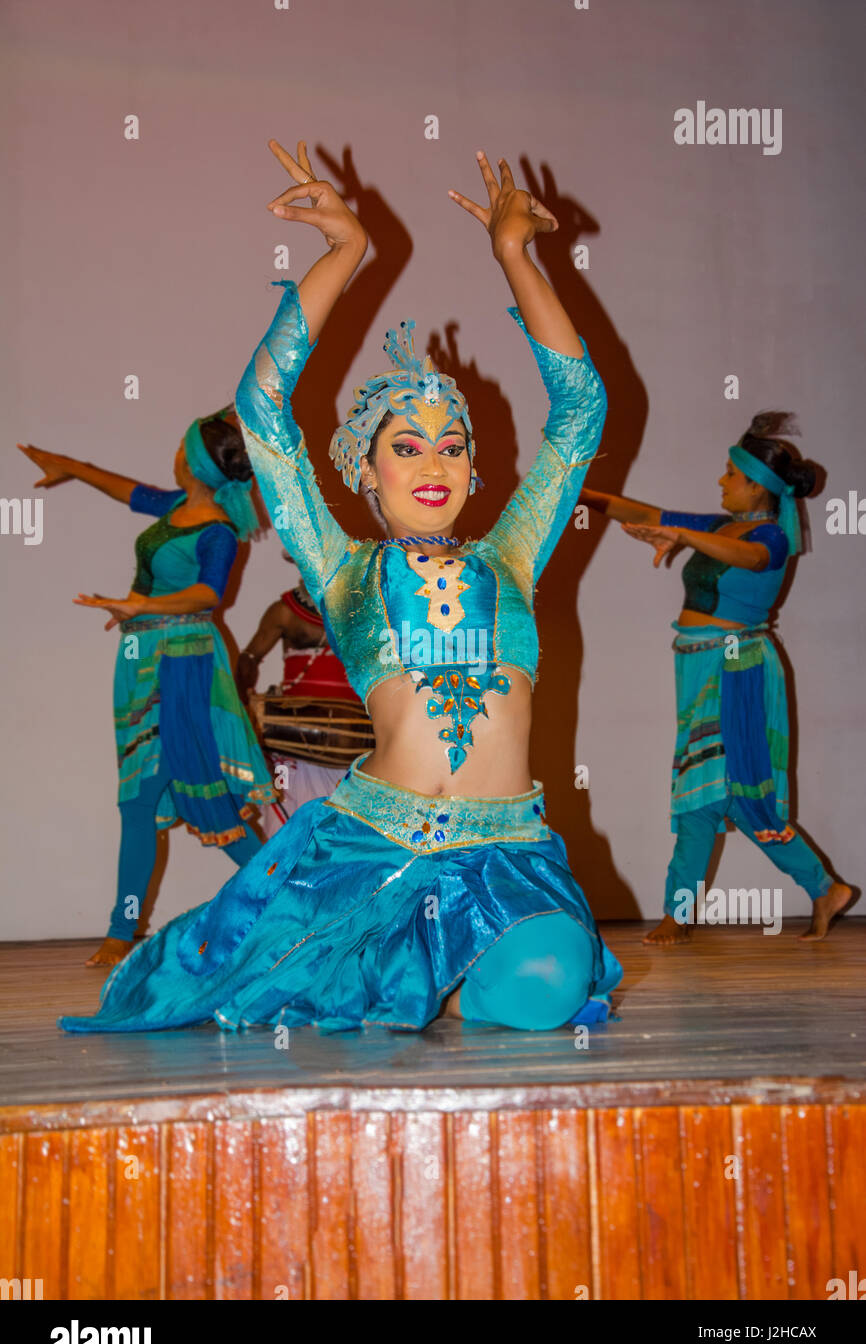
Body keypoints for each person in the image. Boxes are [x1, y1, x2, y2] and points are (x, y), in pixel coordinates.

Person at [59, 137, 621, 1034]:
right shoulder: (342, 564)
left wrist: (517, 256)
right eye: (407, 445)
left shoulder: (512, 553)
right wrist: (343, 255)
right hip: (369, 847)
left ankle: (442, 965)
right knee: (232, 983)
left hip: (503, 851)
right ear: (366, 467)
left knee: (545, 987)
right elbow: (263, 413)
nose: (433, 463)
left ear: (476, 471)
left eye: (452, 446)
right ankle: (391, 961)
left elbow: (581, 408)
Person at [18, 408, 278, 967]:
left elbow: (209, 596)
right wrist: (69, 466)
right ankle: (121, 932)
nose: (176, 453)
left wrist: (141, 604)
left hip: (186, 664)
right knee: (136, 802)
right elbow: (130, 492)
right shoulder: (175, 509)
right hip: (141, 660)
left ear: (195, 461)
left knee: (213, 804)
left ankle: (288, 903)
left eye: (182, 447)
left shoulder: (218, 532)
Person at [582, 413, 853, 945]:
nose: (721, 481)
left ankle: (687, 913)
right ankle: (818, 889)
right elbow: (642, 511)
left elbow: (749, 559)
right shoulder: (717, 526)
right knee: (704, 794)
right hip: (700, 665)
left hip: (739, 669)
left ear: (757, 487)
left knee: (720, 794)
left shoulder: (770, 537)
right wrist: (580, 492)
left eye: (730, 474)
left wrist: (681, 534)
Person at [236, 567, 371, 835]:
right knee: (285, 830)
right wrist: (244, 713)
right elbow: (247, 661)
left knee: (342, 832)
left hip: (351, 743)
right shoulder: (284, 611)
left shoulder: (365, 612)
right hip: (292, 741)